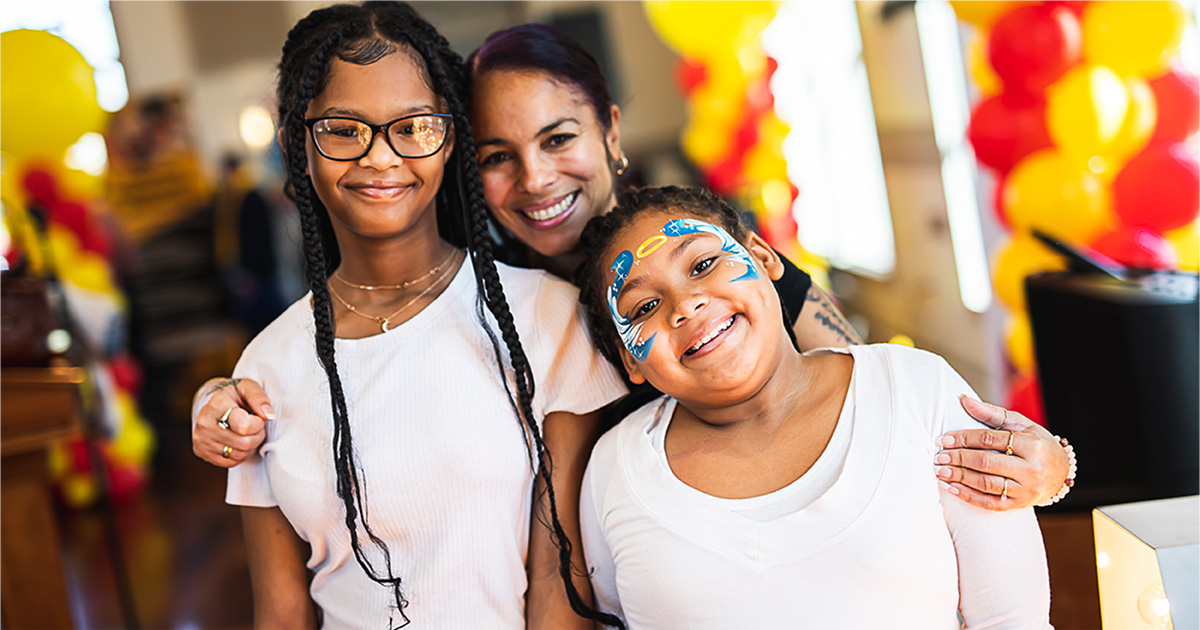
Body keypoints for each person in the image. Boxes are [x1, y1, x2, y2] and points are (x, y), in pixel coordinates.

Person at [194, 22, 1070, 523]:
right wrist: (228, 398)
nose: (535, 180)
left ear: (610, 130)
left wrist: (1047, 460)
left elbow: (869, 397)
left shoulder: (705, 257)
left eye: (560, 139)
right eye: (498, 156)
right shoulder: (492, 288)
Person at [225, 3, 626, 627]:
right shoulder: (265, 367)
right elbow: (280, 614)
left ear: (449, 144)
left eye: (413, 127)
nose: (380, 157)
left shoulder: (545, 315)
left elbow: (561, 579)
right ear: (294, 147)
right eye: (342, 128)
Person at [574, 186, 1052, 628]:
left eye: (701, 266)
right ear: (628, 361)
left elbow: (1013, 619)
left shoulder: (915, 389)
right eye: (643, 308)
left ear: (762, 257)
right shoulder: (614, 470)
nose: (686, 305)